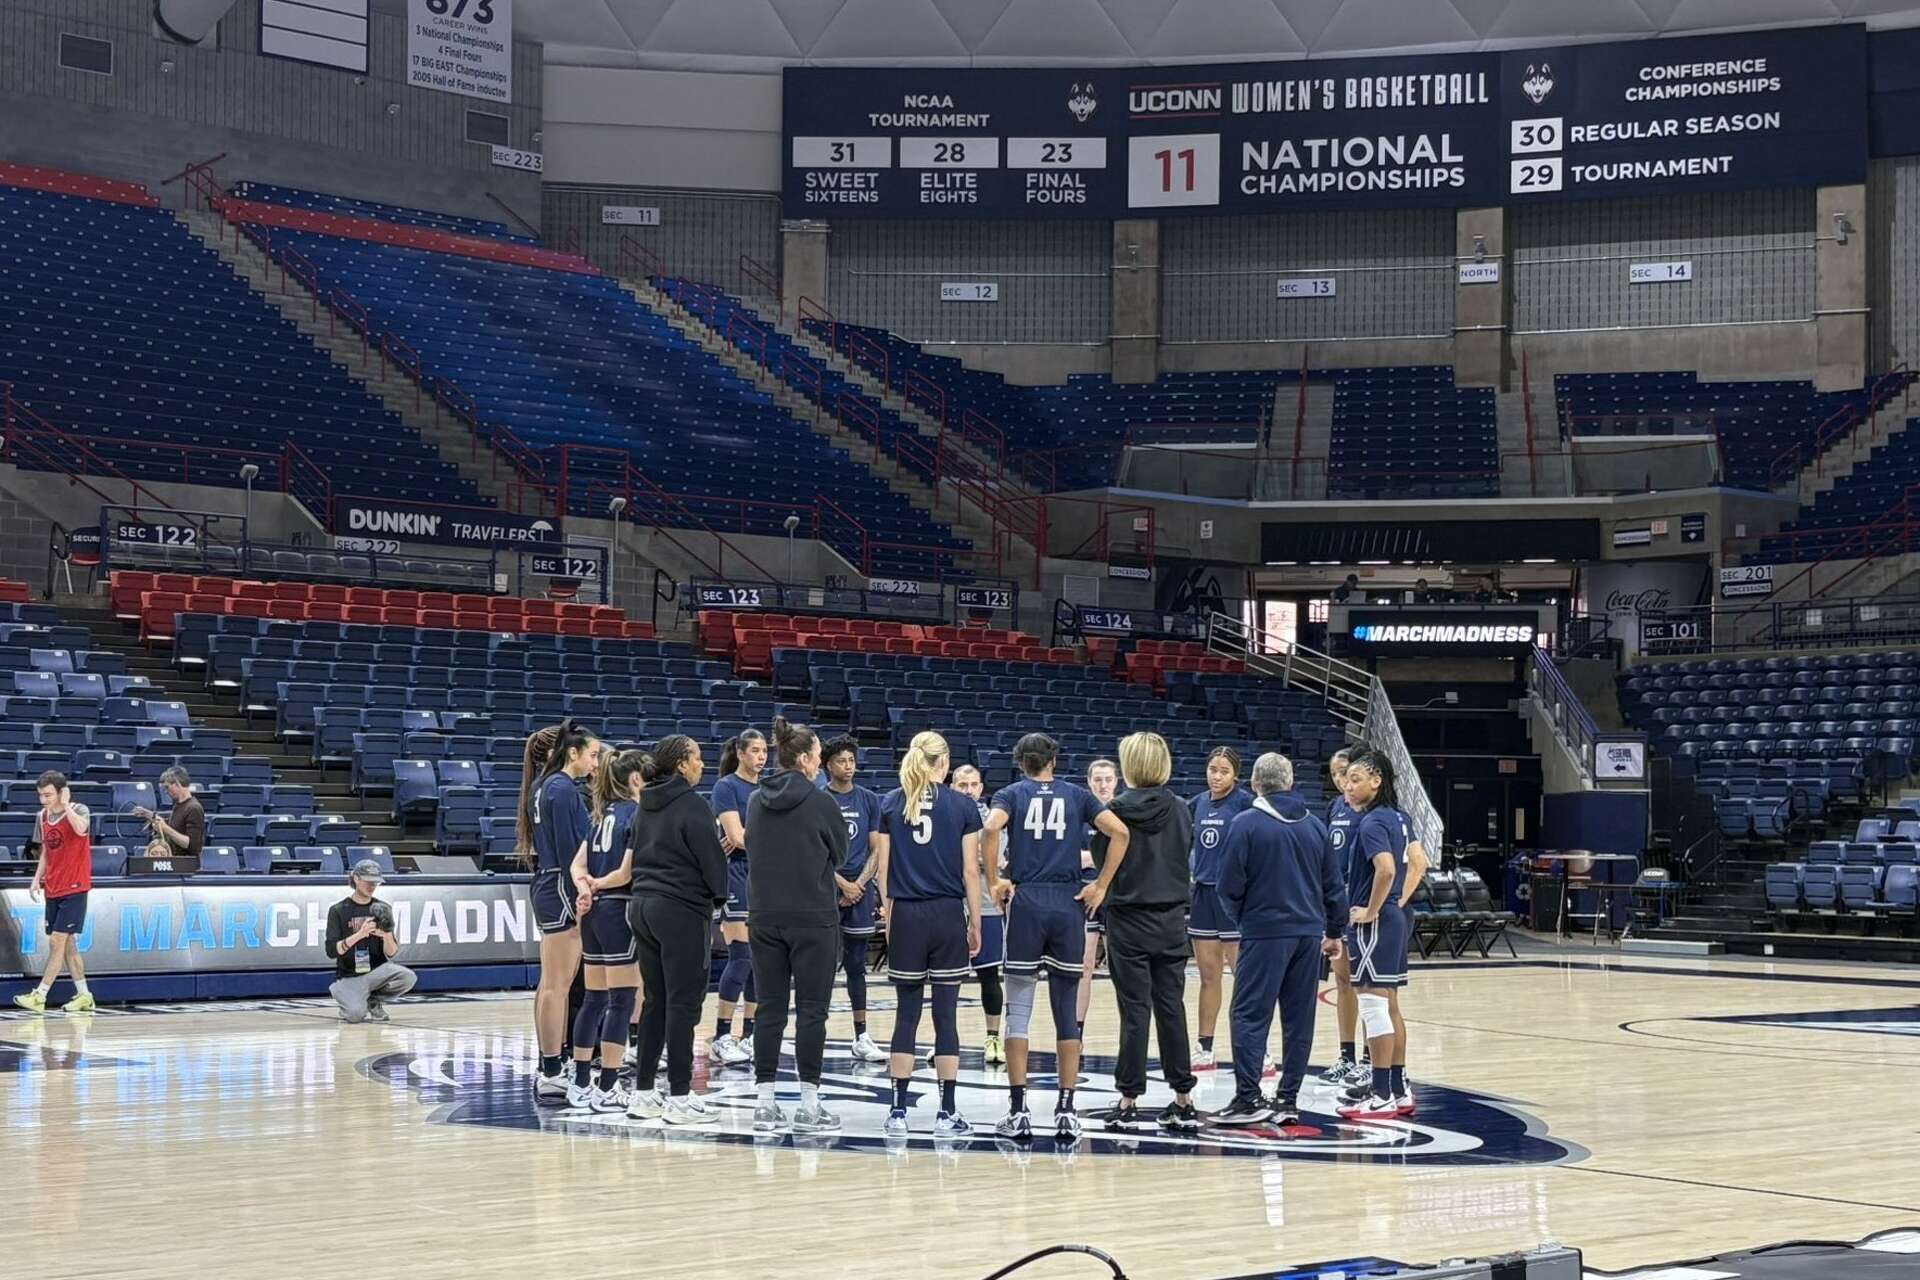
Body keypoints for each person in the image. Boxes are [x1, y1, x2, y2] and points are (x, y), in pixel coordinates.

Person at [982, 733, 1129, 1143]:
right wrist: (1100, 885)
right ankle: (1066, 1110)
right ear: (1053, 760)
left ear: (1021, 763)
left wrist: (995, 880)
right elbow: (1120, 834)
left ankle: (1018, 1110)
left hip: (1027, 902)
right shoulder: (1076, 795)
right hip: (1067, 905)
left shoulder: (1011, 793)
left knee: (1018, 1011)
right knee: (1067, 1012)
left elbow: (990, 829)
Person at [1079, 733, 1201, 1131]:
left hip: (1129, 920)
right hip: (1172, 920)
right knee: (1172, 1008)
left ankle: (1128, 1100)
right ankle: (1183, 1099)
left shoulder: (1115, 810)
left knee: (1135, 1012)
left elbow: (1101, 860)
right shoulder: (1183, 809)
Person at [1215, 754, 1343, 1125]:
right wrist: (1334, 931)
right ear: (1290, 784)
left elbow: (1228, 886)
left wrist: (1244, 919)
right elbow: (1334, 886)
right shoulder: (1316, 826)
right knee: (1299, 1019)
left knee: (1249, 1015)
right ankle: (1288, 1100)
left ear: (1254, 784)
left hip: (1264, 932)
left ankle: (1249, 1098)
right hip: (1308, 934)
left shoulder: (1245, 823)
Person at [876, 730, 983, 1138]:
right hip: (945, 914)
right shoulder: (962, 805)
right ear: (945, 763)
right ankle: (946, 1113)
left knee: (907, 1014)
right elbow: (970, 871)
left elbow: (883, 871)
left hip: (906, 914)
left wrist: (889, 917)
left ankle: (898, 1112)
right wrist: (974, 920)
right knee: (945, 1014)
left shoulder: (890, 802)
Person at [746, 718, 849, 1135]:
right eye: (820, 754)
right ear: (805, 759)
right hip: (813, 917)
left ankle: (765, 1102)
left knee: (768, 1010)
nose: (822, 761)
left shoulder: (755, 799)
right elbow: (840, 855)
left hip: (764, 916)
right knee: (812, 1012)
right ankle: (809, 1102)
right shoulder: (823, 802)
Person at [622, 736, 729, 1125]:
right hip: (680, 909)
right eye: (698, 757)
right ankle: (681, 1096)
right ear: (682, 764)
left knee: (656, 1002)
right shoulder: (693, 805)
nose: (703, 764)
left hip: (642, 906)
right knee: (684, 1005)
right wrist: (719, 898)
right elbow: (712, 861)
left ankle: (644, 1093)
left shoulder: (645, 804)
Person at [517, 720, 602, 1104]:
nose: (596, 762)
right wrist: (584, 890)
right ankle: (552, 1070)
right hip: (562, 888)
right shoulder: (563, 789)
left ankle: (548, 1064)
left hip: (549, 885)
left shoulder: (542, 786)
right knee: (558, 986)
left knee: (551, 985)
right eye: (594, 754)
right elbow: (575, 854)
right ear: (573, 753)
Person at [566, 749, 650, 1113]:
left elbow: (575, 866)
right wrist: (599, 884)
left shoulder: (599, 816)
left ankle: (581, 1081)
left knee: (594, 999)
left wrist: (586, 888)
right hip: (619, 909)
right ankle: (608, 1087)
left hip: (596, 915)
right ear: (635, 780)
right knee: (622, 1001)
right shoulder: (636, 814)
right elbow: (625, 874)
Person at [1336, 748, 1416, 1120]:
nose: (1346, 788)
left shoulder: (1371, 824)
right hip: (1393, 918)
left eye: (1354, 780)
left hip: (1377, 921)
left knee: (1373, 1006)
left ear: (1376, 781)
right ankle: (1398, 1089)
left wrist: (1369, 910)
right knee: (1391, 1006)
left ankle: (1381, 1093)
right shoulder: (1396, 818)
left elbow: (1384, 870)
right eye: (1345, 780)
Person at [823, 735, 887, 1063]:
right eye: (840, 761)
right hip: (825, 889)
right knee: (819, 966)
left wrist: (858, 884)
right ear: (827, 765)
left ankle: (861, 1035)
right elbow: (814, 850)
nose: (847, 766)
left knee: (857, 967)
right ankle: (815, 1032)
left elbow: (877, 848)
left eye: (851, 760)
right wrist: (841, 884)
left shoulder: (869, 800)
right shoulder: (819, 799)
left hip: (860, 892)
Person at [1189, 747, 1253, 1067]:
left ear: (1235, 774)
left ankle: (1255, 1048)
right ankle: (1205, 1047)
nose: (1216, 776)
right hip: (1202, 894)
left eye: (1224, 770)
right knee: (1208, 976)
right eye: (1212, 769)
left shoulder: (1245, 804)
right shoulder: (1197, 803)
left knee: (1243, 976)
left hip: (1233, 897)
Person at [13, 771, 94, 1013]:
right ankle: (84, 996)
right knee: (68, 945)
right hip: (54, 886)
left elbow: (81, 830)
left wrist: (66, 805)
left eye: (48, 795)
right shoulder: (42, 816)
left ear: (61, 792)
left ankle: (40, 995)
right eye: (40, 795)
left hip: (75, 886)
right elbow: (46, 852)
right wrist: (36, 879)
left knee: (56, 941)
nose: (43, 800)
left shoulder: (79, 810)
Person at [710, 729, 766, 1068]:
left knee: (759, 963)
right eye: (755, 751)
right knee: (741, 956)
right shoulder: (726, 787)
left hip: (762, 877)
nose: (761, 757)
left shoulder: (767, 788)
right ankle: (720, 1035)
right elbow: (736, 837)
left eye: (764, 751)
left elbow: (751, 837)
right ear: (741, 753)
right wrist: (768, 841)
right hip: (734, 875)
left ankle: (749, 1035)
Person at [1320, 748, 1370, 1090]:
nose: (1342, 782)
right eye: (1337, 775)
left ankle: (1369, 1058)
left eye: (1347, 774)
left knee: (1367, 984)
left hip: (1362, 903)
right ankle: (1346, 1054)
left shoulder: (1373, 812)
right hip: (1337, 902)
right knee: (1342, 983)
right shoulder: (1335, 807)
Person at [950, 763, 1005, 1063]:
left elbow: (996, 862)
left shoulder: (995, 819)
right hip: (950, 905)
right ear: (953, 787)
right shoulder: (944, 815)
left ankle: (992, 1039)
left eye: (973, 785)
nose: (969, 790)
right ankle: (945, 1040)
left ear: (981, 787)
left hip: (986, 906)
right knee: (948, 980)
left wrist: (976, 859)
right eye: (962, 785)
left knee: (989, 976)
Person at [324, 858, 416, 1023]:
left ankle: (374, 999)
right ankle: (343, 992)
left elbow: (392, 952)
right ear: (356, 879)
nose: (372, 886)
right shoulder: (338, 910)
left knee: (408, 977)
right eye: (368, 881)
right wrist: (359, 934)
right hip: (350, 975)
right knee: (354, 1016)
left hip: (377, 972)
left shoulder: (382, 908)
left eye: (375, 882)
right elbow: (331, 951)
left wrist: (386, 935)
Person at [1075, 758, 1119, 1029]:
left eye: (1108, 780)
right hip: (1086, 894)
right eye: (1098, 780)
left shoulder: (1122, 811)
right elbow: (1070, 857)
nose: (1103, 785)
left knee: (1124, 969)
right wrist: (1104, 857)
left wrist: (1092, 858)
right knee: (1084, 966)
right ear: (1089, 782)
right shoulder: (1078, 813)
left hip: (1117, 896)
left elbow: (1129, 855)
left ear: (1117, 782)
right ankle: (1076, 1030)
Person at [134, 766, 204, 860]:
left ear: (177, 784)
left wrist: (165, 828)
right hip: (176, 863)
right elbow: (176, 826)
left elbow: (192, 846)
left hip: (186, 867)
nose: (166, 792)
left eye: (167, 787)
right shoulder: (179, 805)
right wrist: (151, 816)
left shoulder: (194, 808)